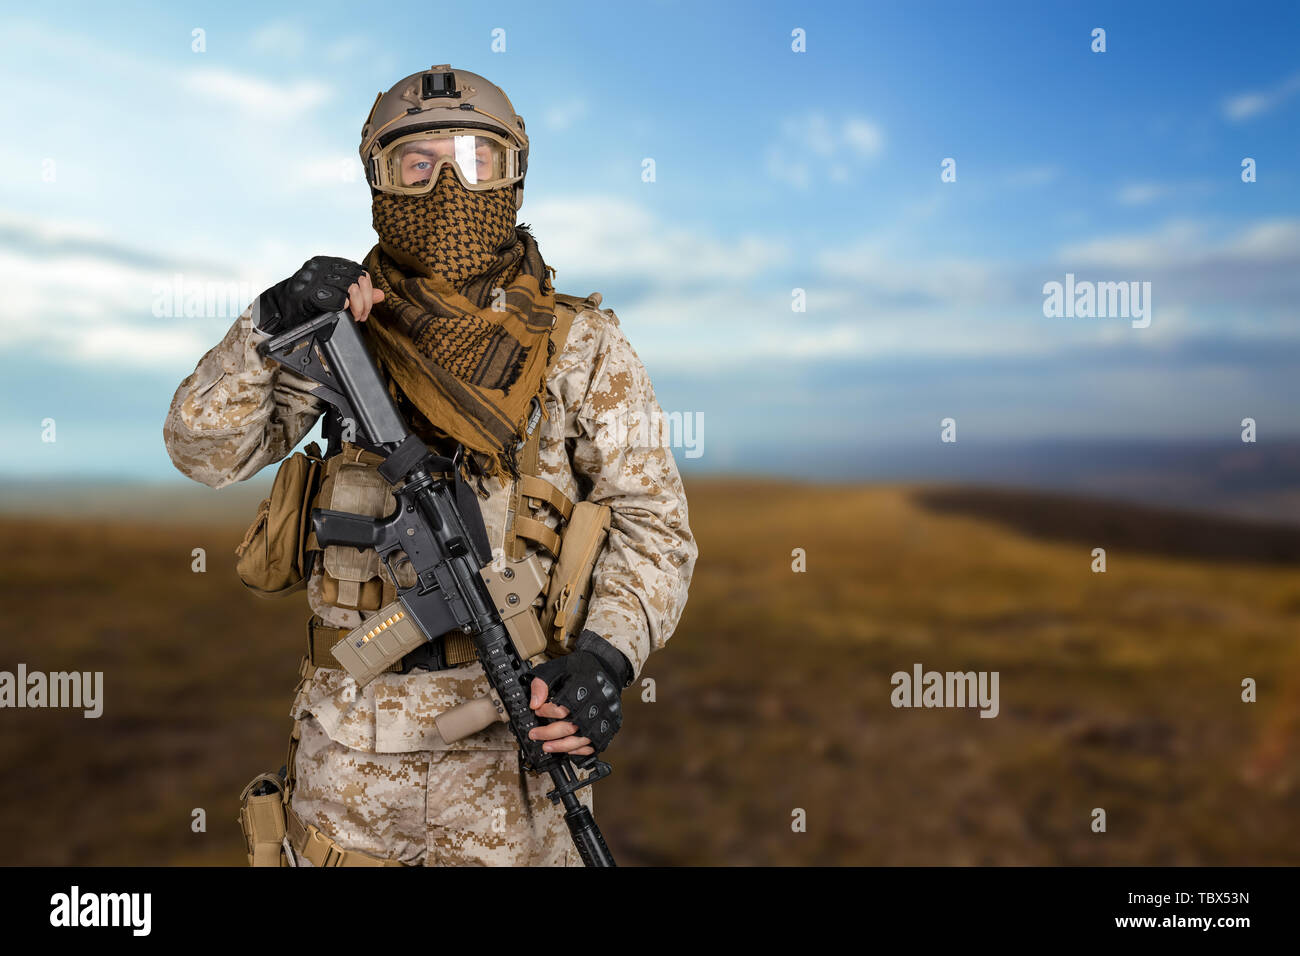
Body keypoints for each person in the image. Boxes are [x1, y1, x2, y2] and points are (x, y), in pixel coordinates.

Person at [162, 65, 697, 866]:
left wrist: (608, 657)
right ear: (379, 182)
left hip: (520, 760)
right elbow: (204, 450)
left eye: (475, 161)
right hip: (350, 772)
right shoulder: (339, 328)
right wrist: (267, 321)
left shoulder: (583, 347)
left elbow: (654, 527)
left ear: (512, 177)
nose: (448, 184)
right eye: (418, 165)